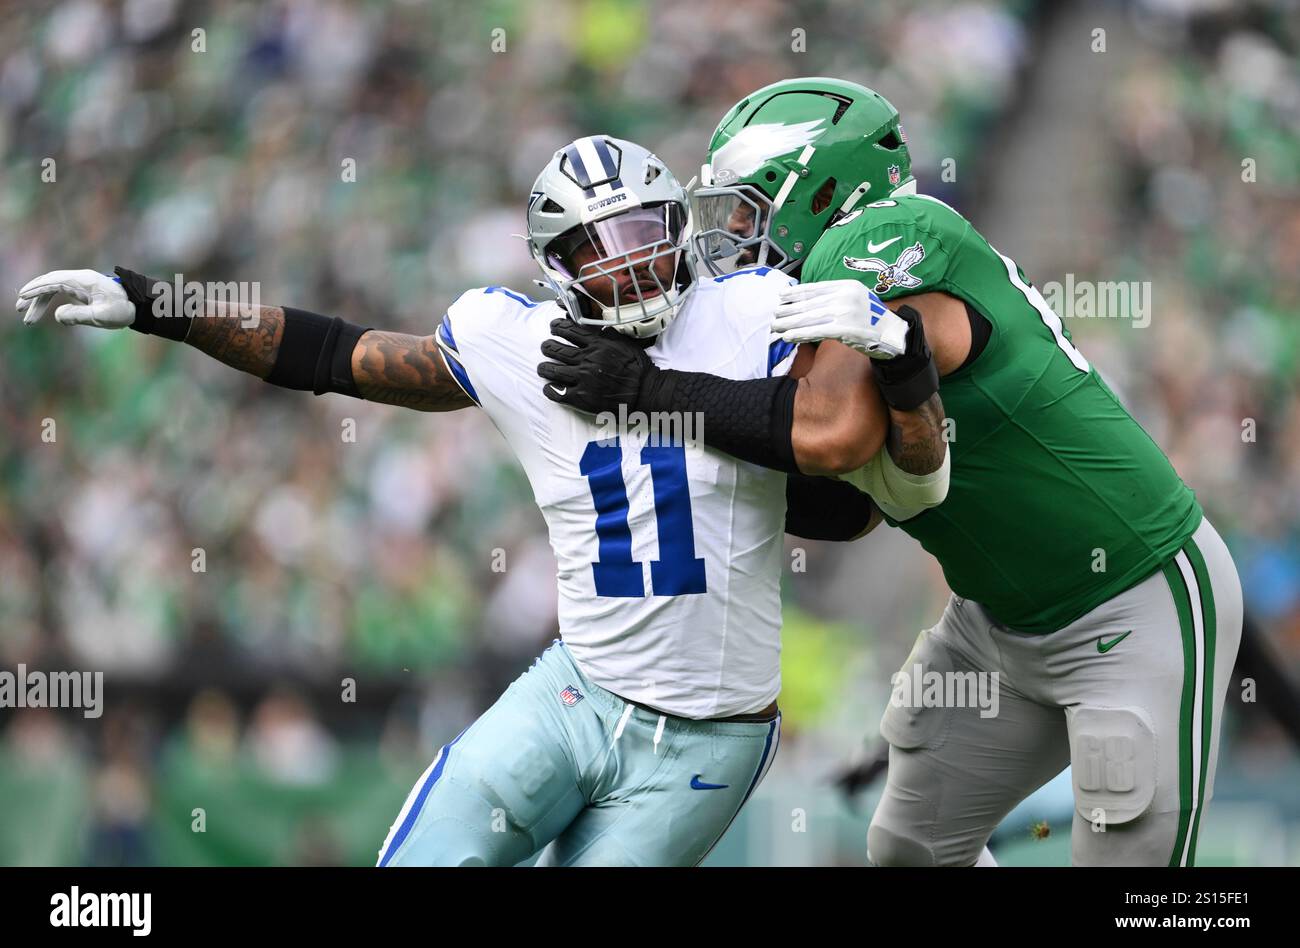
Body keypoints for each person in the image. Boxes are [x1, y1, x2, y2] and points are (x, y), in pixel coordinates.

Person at [16, 134, 947, 866]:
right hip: (575, 692)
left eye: (648, 234)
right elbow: (333, 354)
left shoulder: (753, 313)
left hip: (708, 741)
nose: (634, 268)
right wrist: (155, 304)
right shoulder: (513, 341)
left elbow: (850, 484)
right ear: (555, 263)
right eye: (602, 247)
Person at [537, 79, 1244, 867]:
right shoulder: (813, 292)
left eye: (747, 208)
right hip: (998, 626)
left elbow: (829, 433)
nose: (733, 232)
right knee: (911, 850)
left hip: (1134, 598)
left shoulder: (888, 233)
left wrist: (647, 394)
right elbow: (849, 511)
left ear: (823, 188)